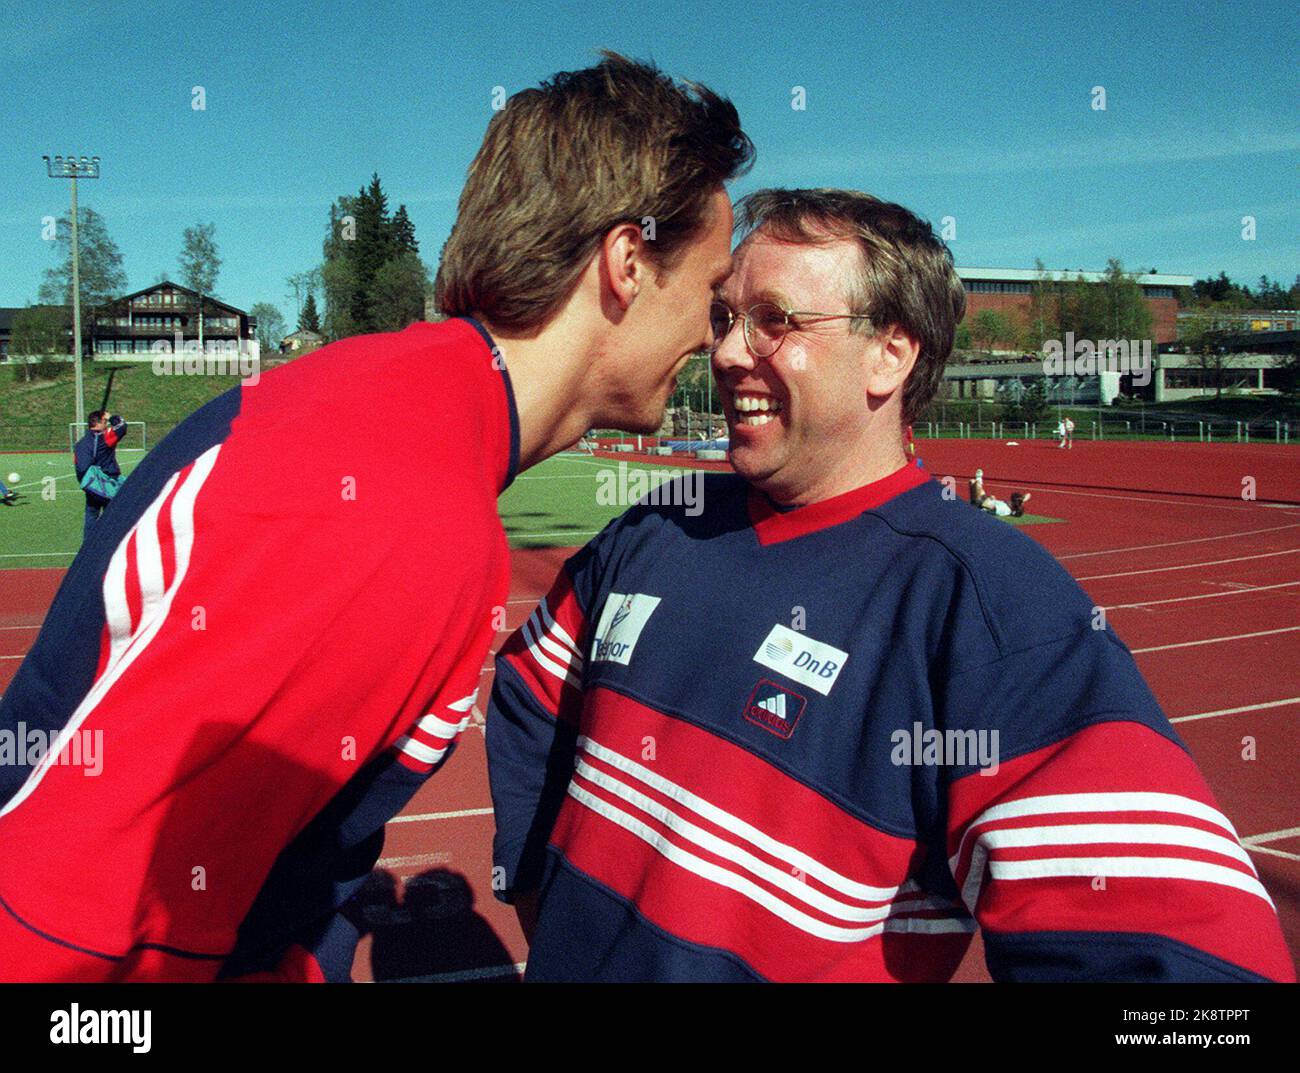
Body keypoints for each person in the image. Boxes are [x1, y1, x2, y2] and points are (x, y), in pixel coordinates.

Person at [0, 52, 752, 983]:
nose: (715, 339)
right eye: (713, 296)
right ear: (628, 263)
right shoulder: (403, 503)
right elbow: (68, 925)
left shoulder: (392, 411)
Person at [484, 188, 1293, 983]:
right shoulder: (658, 525)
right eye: (726, 316)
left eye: (775, 320)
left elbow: (1192, 963)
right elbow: (528, 693)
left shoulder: (989, 607)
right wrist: (544, 907)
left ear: (891, 354)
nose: (728, 352)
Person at [73, 410, 128, 538]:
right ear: (99, 423)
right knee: (114, 515)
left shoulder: (80, 444)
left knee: (91, 515)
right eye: (105, 422)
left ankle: (88, 546)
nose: (107, 425)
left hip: (92, 485)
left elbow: (79, 467)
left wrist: (87, 484)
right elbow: (122, 426)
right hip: (108, 482)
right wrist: (111, 417)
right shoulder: (105, 438)